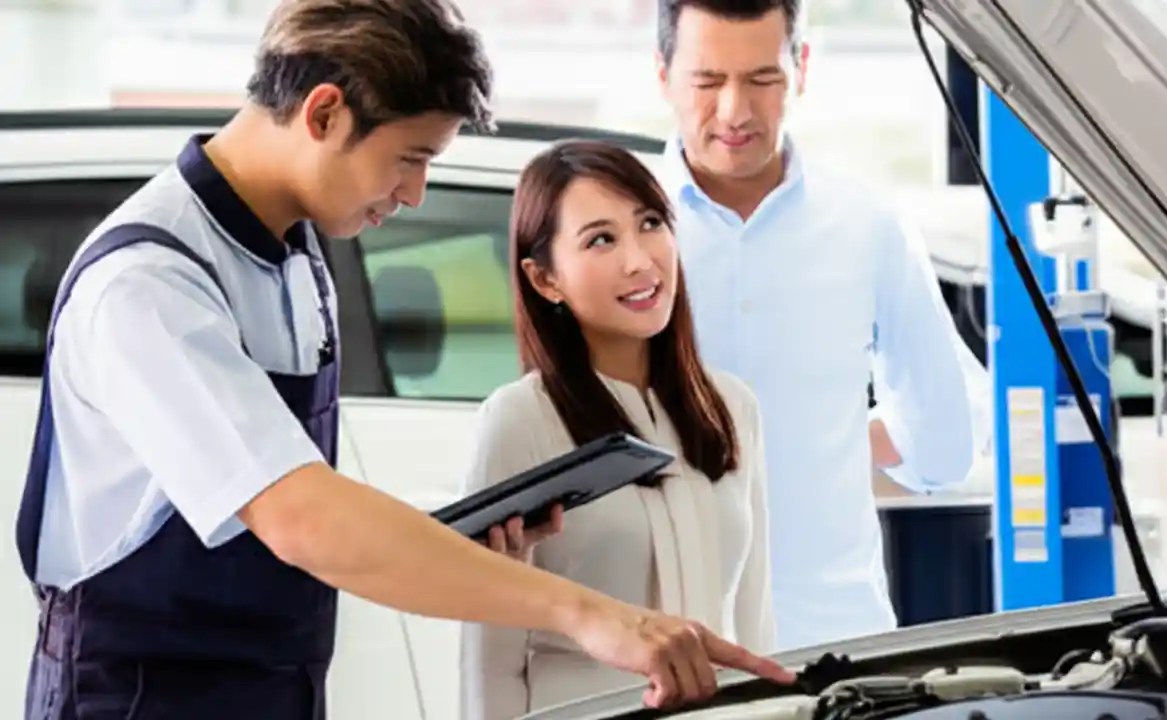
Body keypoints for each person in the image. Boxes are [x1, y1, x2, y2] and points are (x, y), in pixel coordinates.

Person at [13, 2, 793, 717]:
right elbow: (300, 517)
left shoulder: (297, 257)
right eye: (410, 157)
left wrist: (452, 548)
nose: (416, 194)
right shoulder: (150, 285)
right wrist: (589, 613)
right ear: (324, 112)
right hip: (139, 699)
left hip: (269, 689)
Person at [654, 0, 979, 651]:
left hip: (816, 642)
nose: (735, 111)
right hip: (669, 647)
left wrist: (822, 439)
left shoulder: (869, 225)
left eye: (762, 79)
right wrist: (822, 438)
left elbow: (946, 441)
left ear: (801, 68)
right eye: (708, 81)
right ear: (662, 76)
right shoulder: (625, 232)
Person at [458, 139, 776, 719]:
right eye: (600, 239)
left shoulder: (733, 406)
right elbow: (489, 657)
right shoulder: (520, 419)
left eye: (650, 223)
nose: (640, 260)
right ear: (544, 278)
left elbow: (755, 620)